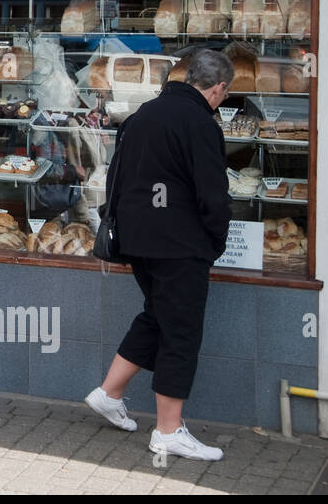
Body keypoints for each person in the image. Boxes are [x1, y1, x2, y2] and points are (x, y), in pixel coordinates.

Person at [85, 48, 233, 461]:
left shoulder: (141, 116)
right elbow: (213, 194)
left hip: (136, 241)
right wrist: (215, 242)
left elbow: (117, 178)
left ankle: (109, 393)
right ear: (217, 88)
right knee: (181, 331)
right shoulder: (200, 122)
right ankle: (168, 430)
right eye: (223, 94)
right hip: (180, 245)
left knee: (158, 315)